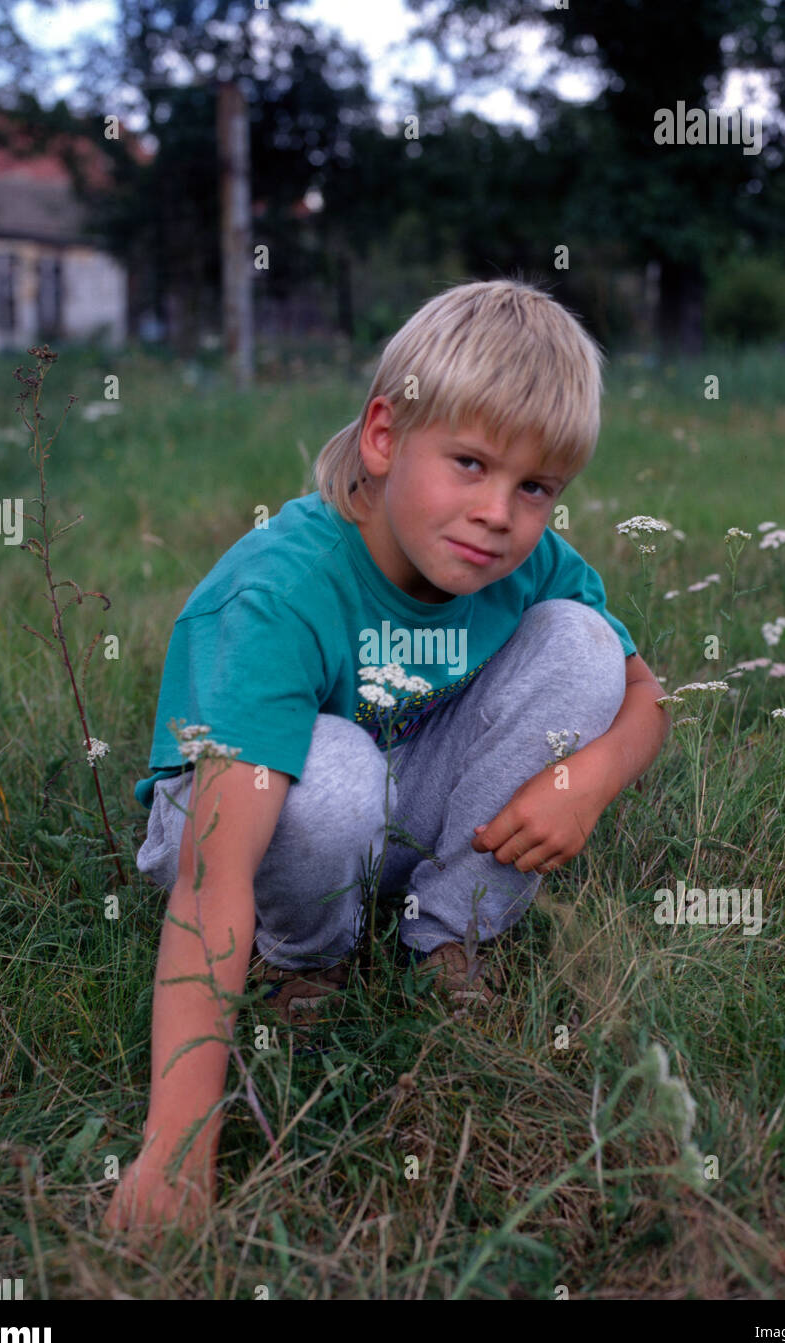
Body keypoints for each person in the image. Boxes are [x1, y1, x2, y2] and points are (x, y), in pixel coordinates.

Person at [102, 277, 671, 1238]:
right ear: (382, 438)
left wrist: (591, 776)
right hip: (255, 826)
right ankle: (305, 964)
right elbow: (211, 878)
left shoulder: (524, 563)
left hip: (396, 801)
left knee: (581, 644)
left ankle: (445, 938)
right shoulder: (278, 593)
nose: (499, 513)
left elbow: (646, 696)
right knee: (333, 772)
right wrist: (175, 1148)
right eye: (470, 463)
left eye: (534, 488)